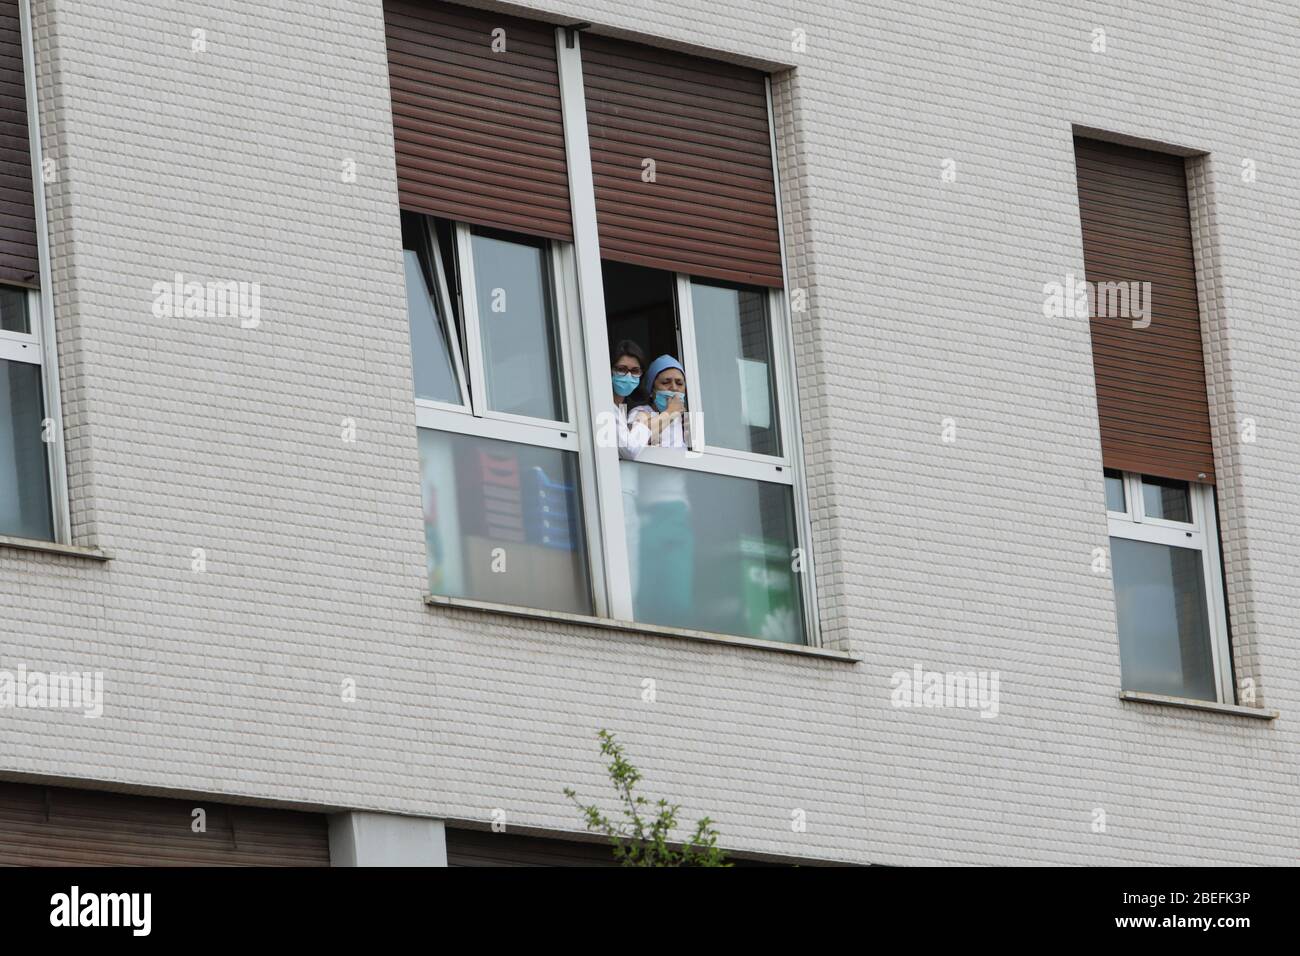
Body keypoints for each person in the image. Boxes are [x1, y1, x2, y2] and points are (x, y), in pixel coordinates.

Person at [628, 355, 694, 627]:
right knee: (649, 583)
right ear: (652, 386)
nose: (673, 388)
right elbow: (639, 441)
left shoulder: (689, 421)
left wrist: (680, 417)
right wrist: (669, 414)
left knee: (677, 587)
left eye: (679, 383)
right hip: (648, 511)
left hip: (678, 511)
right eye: (665, 382)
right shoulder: (642, 413)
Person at [608, 340, 651, 460]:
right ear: (610, 370)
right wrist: (643, 422)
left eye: (635, 371)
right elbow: (630, 451)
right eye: (621, 369)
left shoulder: (624, 410)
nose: (628, 375)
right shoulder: (605, 406)